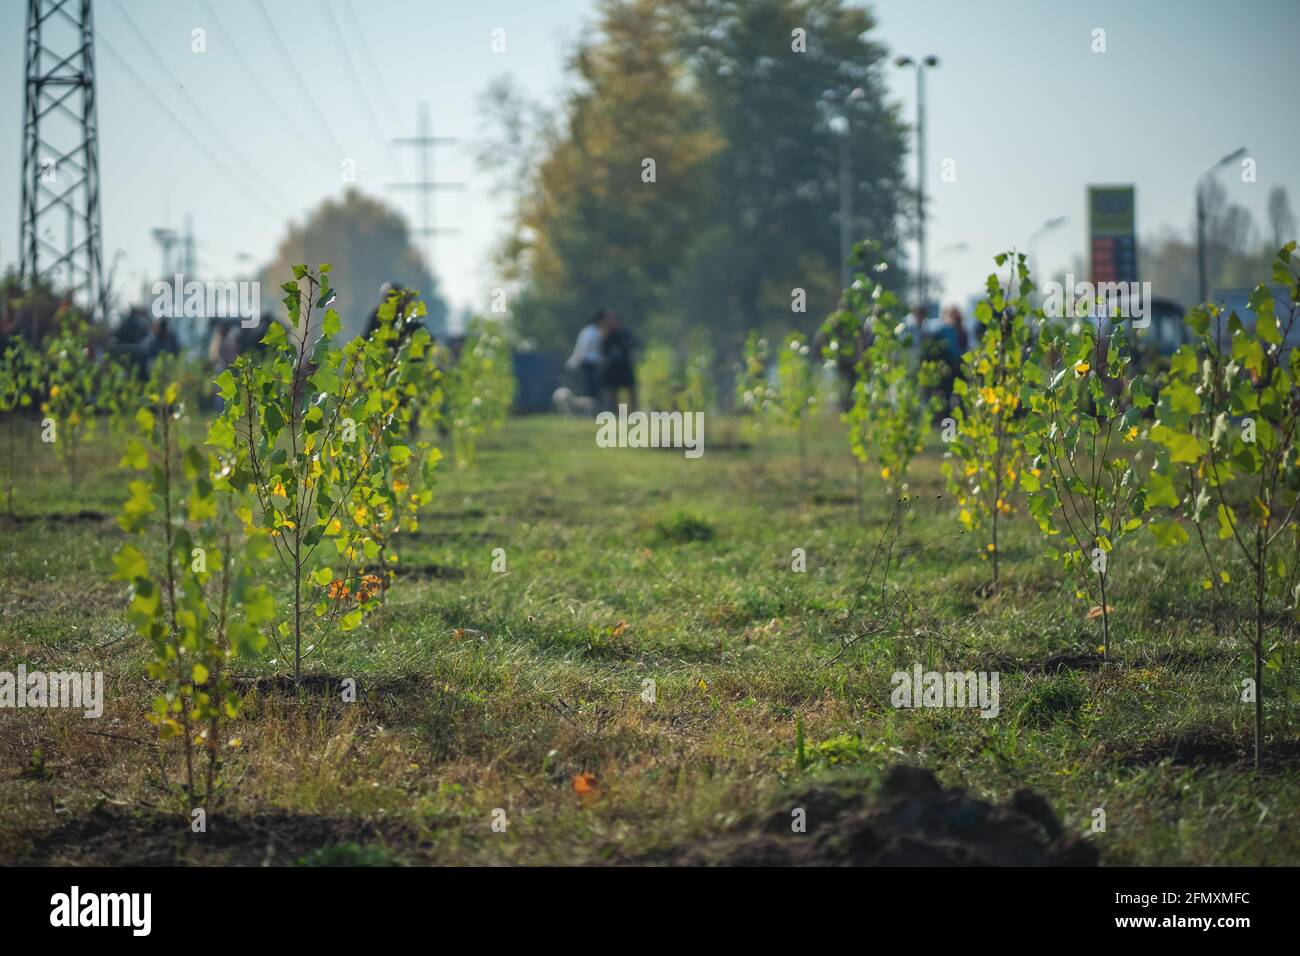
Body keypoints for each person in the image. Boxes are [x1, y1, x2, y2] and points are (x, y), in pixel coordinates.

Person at [599, 310, 637, 411]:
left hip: (624, 366)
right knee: (612, 392)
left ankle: (633, 411)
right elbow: (603, 350)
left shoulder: (625, 333)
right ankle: (614, 411)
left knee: (631, 390)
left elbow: (631, 345)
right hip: (612, 367)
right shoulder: (605, 335)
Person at [565, 310, 605, 403]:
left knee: (594, 387)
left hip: (594, 363)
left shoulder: (596, 331)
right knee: (589, 387)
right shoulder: (589, 331)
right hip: (588, 362)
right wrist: (575, 361)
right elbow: (582, 348)